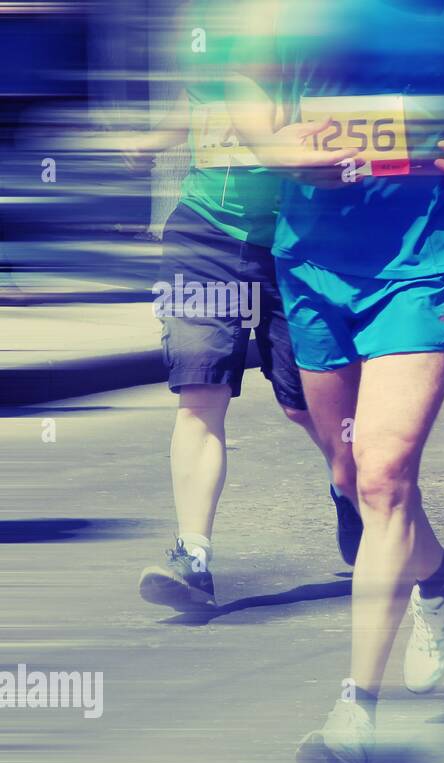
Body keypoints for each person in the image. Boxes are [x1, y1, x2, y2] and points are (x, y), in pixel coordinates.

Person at [228, 0, 444, 763]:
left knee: (381, 474)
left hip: (424, 256)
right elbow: (244, 76)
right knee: (350, 474)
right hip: (312, 259)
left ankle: (355, 711)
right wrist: (275, 144)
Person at [134, 1, 361, 611]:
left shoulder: (326, 24)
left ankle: (356, 489)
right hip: (205, 236)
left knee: (305, 404)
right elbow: (197, 101)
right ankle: (193, 555)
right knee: (199, 395)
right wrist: (150, 140)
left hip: (303, 237)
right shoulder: (210, 23)